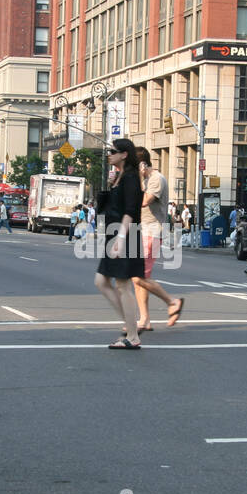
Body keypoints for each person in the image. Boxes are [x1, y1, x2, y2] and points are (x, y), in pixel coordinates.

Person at [96, 140, 145, 348]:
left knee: (123, 285)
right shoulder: (120, 176)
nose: (109, 154)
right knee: (102, 282)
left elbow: (131, 211)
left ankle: (132, 335)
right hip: (114, 234)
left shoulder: (132, 178)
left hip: (124, 234)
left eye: (113, 152)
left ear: (124, 154)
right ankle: (130, 327)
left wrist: (121, 239)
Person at [132, 148, 184, 331]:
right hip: (139, 230)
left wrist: (138, 179)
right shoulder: (145, 179)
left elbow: (144, 200)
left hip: (152, 231)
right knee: (138, 278)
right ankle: (144, 319)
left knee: (138, 277)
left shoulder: (156, 179)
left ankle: (172, 302)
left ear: (141, 164)